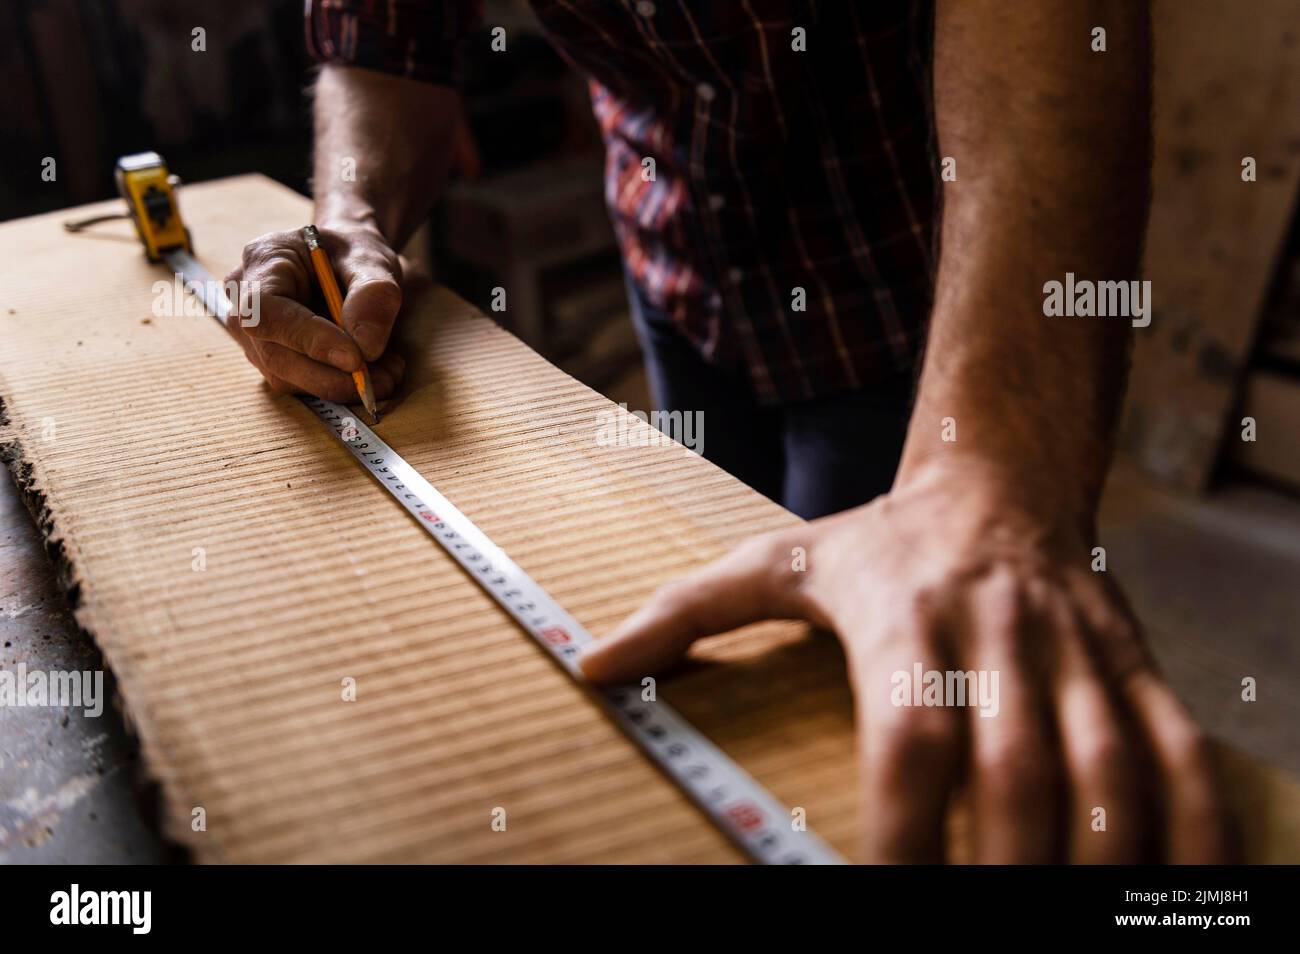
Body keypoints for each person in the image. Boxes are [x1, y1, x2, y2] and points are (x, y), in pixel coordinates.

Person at [228, 1, 1228, 863]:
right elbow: (388, 39)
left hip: (905, 288)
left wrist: (991, 478)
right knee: (729, 619)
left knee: (899, 698)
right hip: (677, 255)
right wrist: (348, 216)